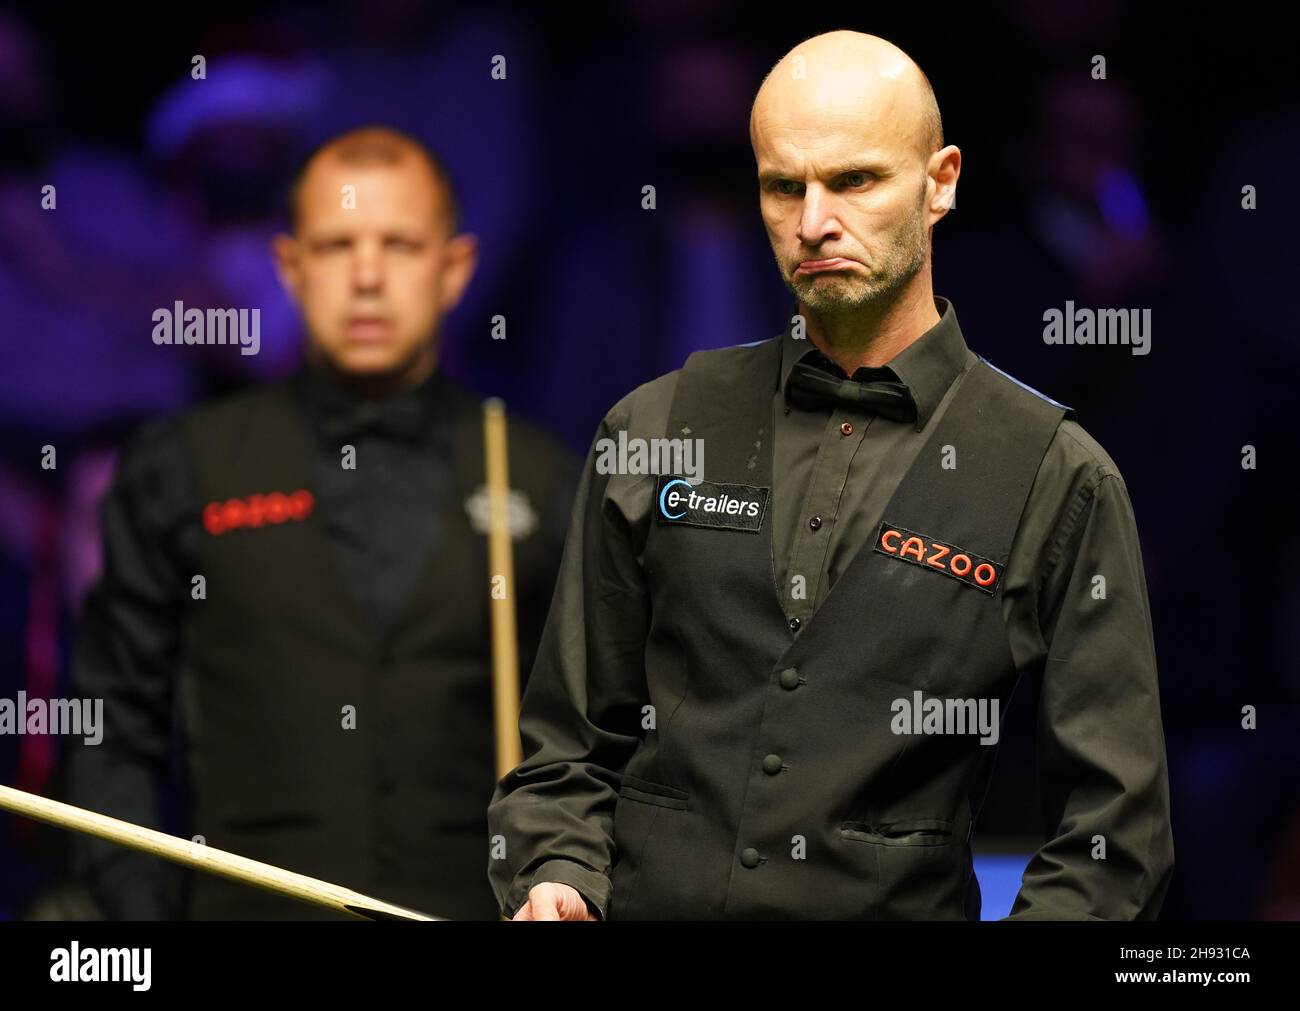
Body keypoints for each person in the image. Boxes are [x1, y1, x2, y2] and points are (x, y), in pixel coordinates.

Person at [487, 32, 1173, 921]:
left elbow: (1113, 842)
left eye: (854, 181)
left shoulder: (1057, 473)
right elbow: (564, 755)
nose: (813, 221)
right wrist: (557, 875)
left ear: (941, 181)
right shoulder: (652, 429)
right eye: (783, 186)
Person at [66, 126, 577, 920]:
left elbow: (588, 748)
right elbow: (108, 728)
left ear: (454, 270)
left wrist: (566, 884)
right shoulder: (182, 464)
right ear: (291, 267)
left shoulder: (542, 476)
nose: (367, 276)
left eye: (400, 245)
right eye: (337, 246)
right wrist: (144, 915)